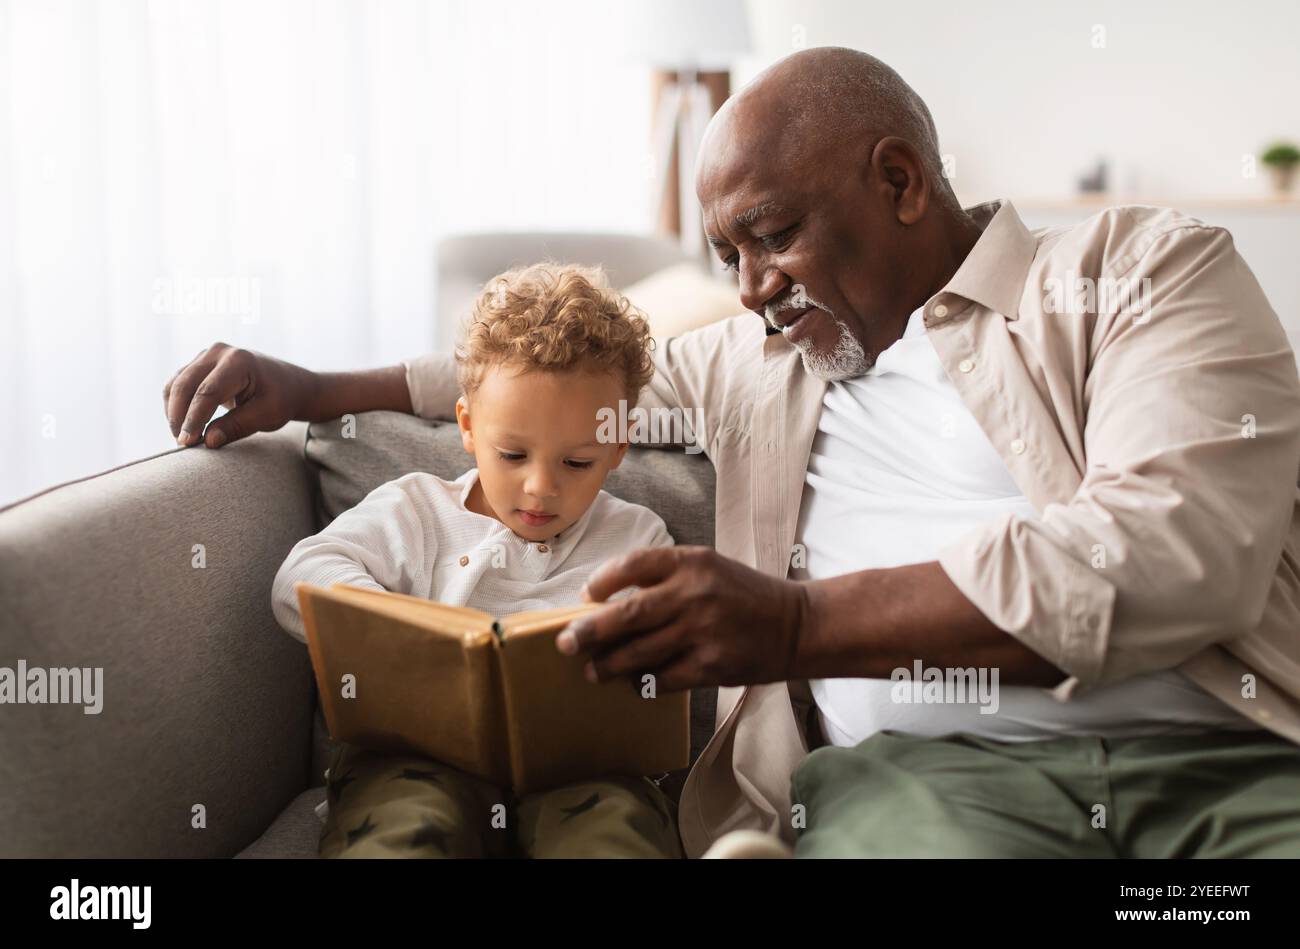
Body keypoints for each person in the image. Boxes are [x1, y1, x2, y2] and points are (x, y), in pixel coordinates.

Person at [165, 48, 1300, 859]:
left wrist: (798, 624)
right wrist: (316, 388)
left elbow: (1175, 552)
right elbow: (551, 379)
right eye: (727, 257)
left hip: (1233, 756)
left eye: (773, 236)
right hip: (930, 786)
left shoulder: (1140, 274)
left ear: (899, 181)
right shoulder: (758, 363)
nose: (751, 289)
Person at [269, 262, 681, 858]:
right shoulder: (417, 508)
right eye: (512, 454)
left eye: (576, 462)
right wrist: (397, 626)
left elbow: (662, 653)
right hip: (417, 758)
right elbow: (301, 576)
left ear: (618, 444)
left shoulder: (636, 535)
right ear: (467, 426)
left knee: (611, 835)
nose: (540, 488)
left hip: (584, 769)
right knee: (401, 832)